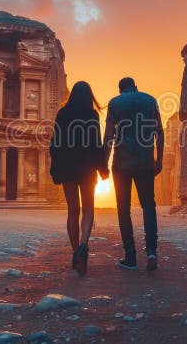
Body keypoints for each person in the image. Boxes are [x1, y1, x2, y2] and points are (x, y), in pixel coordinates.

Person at [104, 77, 164, 271]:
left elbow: (108, 137)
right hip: (145, 162)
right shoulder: (150, 100)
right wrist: (159, 159)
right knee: (148, 205)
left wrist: (103, 165)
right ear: (135, 87)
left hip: (121, 164)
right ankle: (152, 251)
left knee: (123, 209)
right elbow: (159, 132)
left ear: (120, 90)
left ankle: (130, 257)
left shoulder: (114, 103)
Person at [49, 81, 109, 276]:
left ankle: (75, 252)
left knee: (72, 210)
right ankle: (84, 246)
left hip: (67, 168)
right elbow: (96, 143)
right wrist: (102, 168)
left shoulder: (62, 114)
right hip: (87, 168)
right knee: (88, 209)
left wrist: (56, 167)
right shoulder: (91, 115)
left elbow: (55, 143)